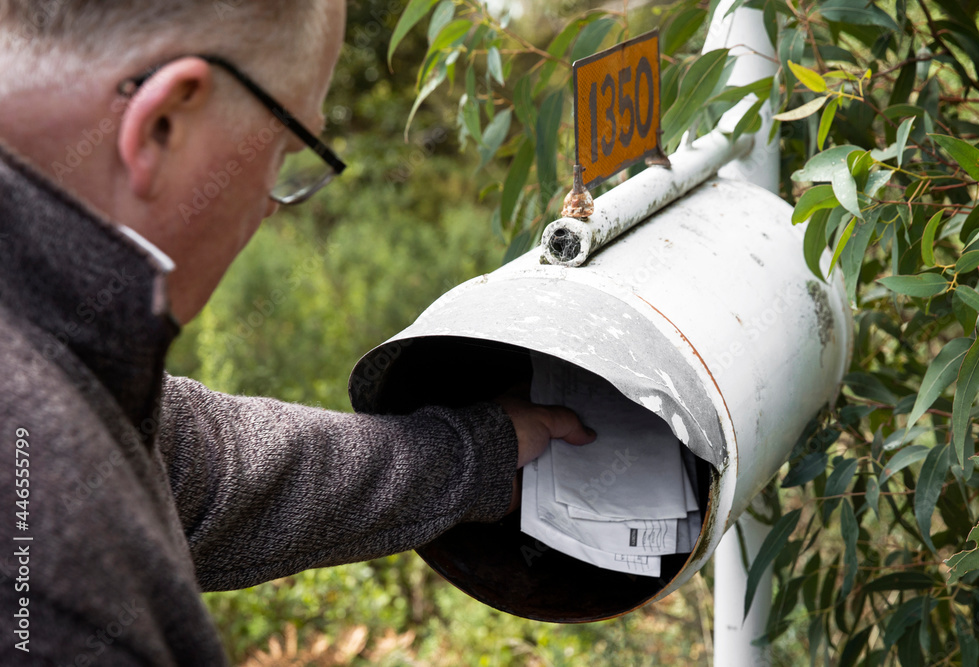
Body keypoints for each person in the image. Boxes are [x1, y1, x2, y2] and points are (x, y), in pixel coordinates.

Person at [0, 1, 594, 664]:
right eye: (285, 152)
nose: (271, 208)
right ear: (163, 125)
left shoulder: (54, 349)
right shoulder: (50, 589)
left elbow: (194, 463)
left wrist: (476, 454)